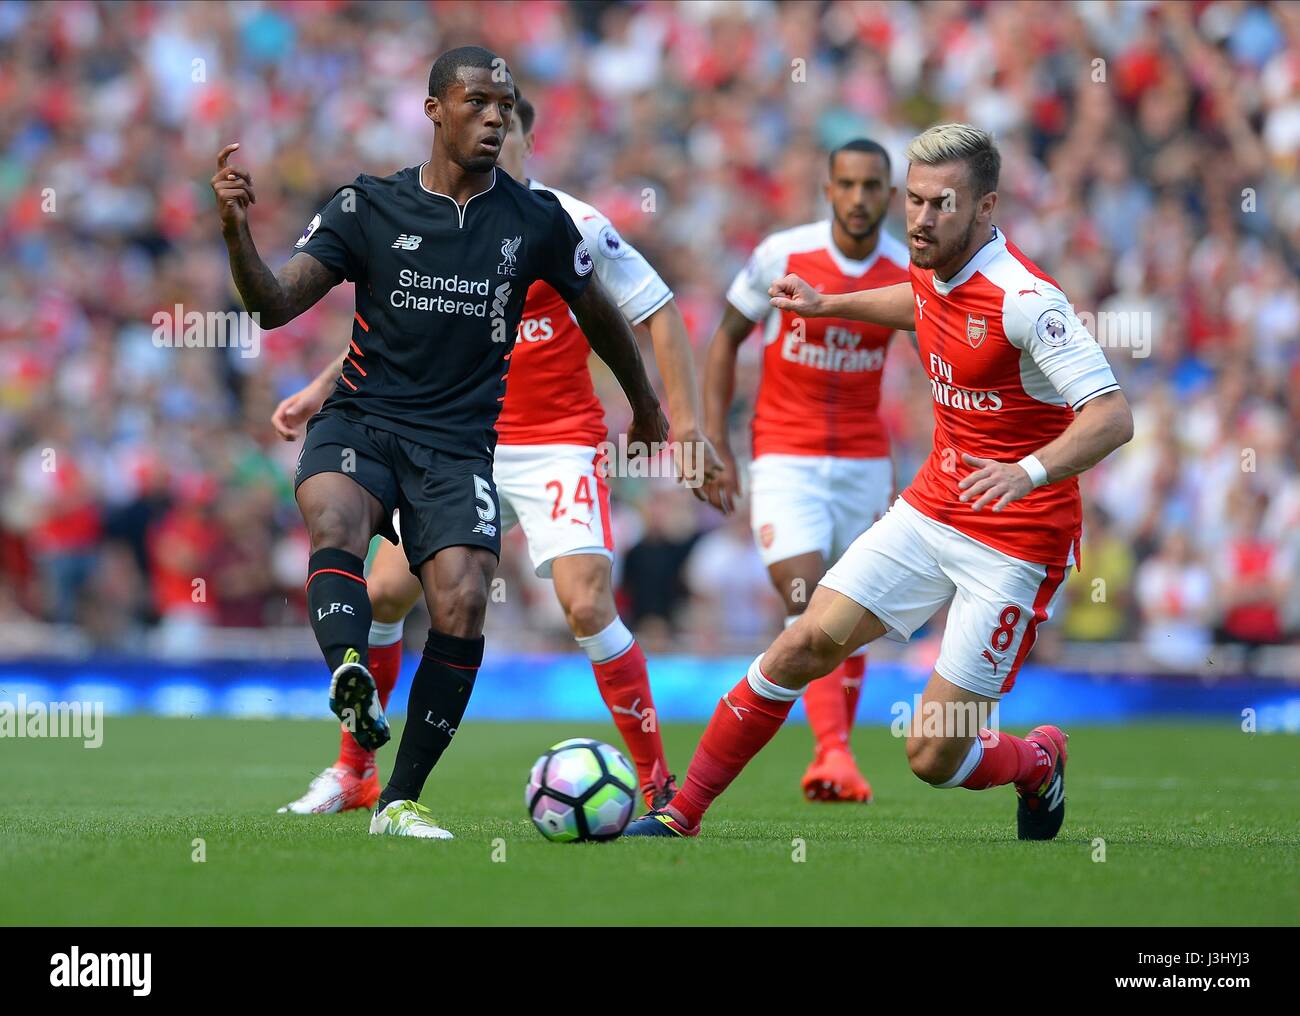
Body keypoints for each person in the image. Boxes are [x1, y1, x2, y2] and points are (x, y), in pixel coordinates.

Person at [626, 123, 1134, 841]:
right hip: (931, 510)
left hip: (1017, 539)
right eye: (916, 202)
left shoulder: (1028, 299)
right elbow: (916, 302)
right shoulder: (931, 265)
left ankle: (1038, 763)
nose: (920, 220)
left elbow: (1113, 416)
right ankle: (681, 814)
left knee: (932, 755)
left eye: (941, 205)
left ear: (986, 208)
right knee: (801, 644)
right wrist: (829, 304)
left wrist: (1027, 471)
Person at [212, 46, 667, 840]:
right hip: (362, 420)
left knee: (460, 599)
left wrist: (646, 406)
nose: (495, 117)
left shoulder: (535, 222)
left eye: (506, 105)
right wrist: (235, 234)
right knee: (335, 523)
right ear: (433, 110)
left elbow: (601, 311)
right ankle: (349, 675)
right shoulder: (367, 207)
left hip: (459, 447)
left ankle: (401, 800)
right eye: (478, 102)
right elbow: (275, 303)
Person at [701, 138, 909, 803]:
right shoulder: (782, 255)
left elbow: (949, 360)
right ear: (828, 190)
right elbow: (727, 337)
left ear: (890, 196)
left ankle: (833, 764)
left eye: (872, 186)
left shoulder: (905, 272)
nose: (858, 198)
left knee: (849, 607)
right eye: (846, 185)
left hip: (864, 462)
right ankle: (834, 751)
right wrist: (715, 443)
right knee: (805, 599)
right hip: (784, 457)